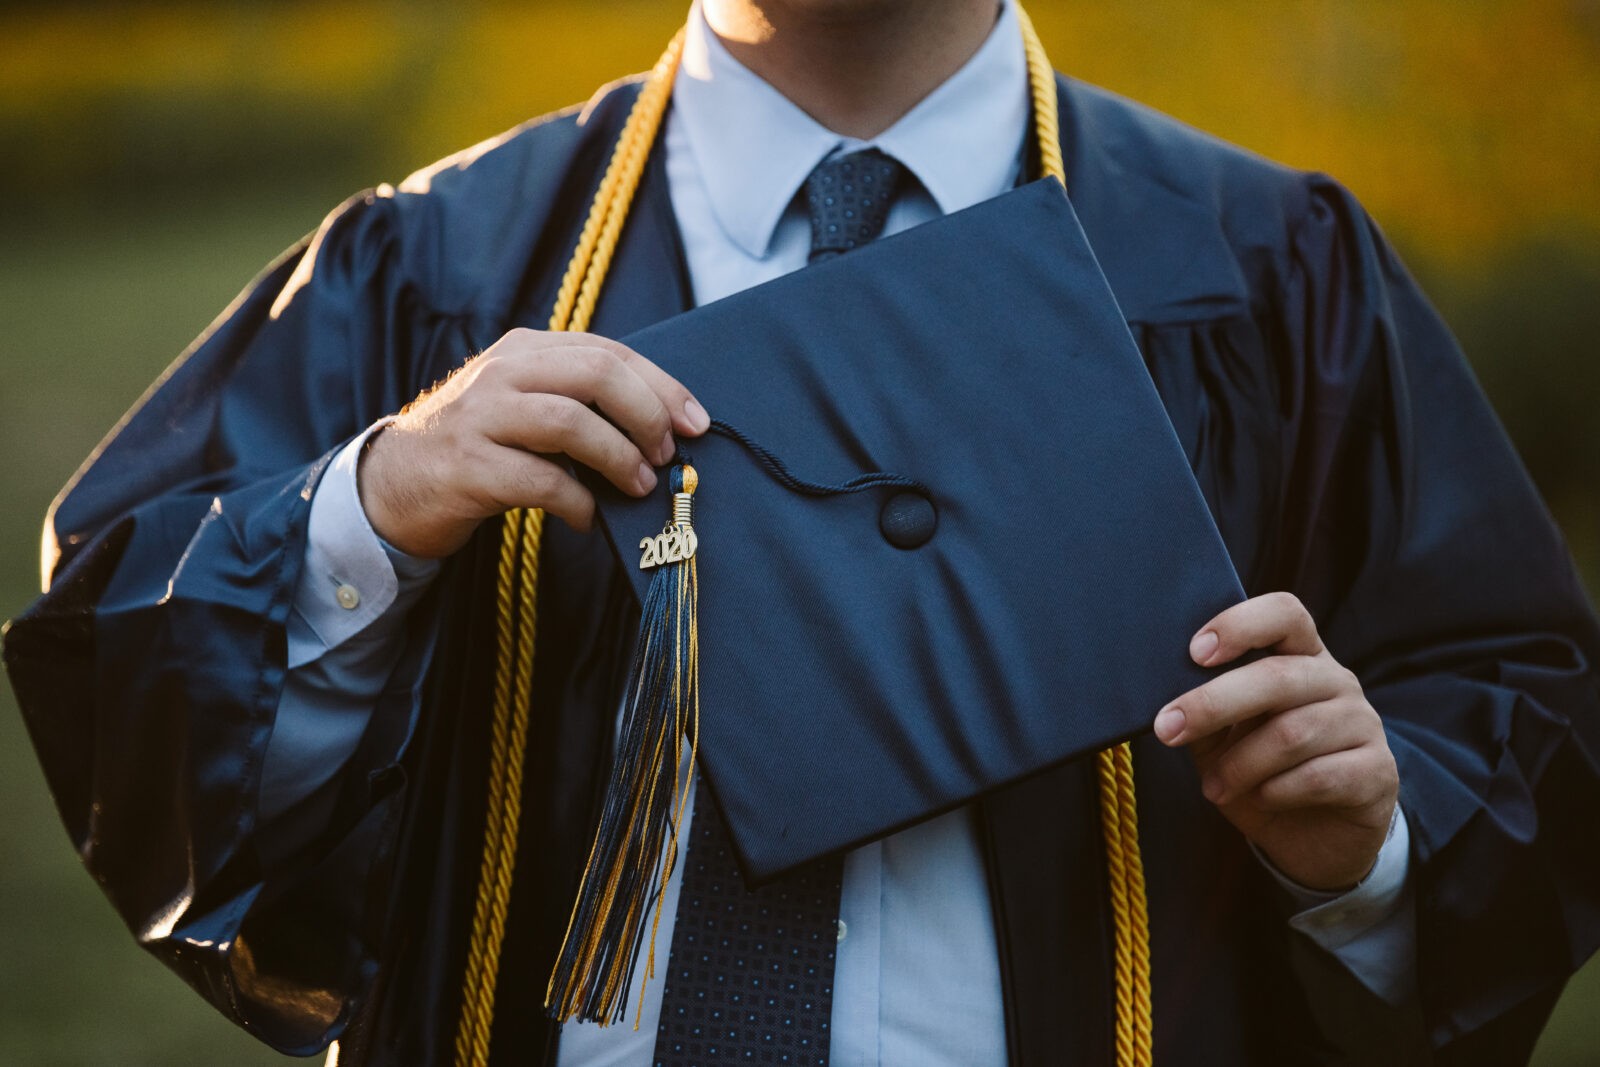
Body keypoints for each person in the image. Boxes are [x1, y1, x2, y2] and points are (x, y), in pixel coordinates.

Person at [5, 1, 1598, 1064]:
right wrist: (366, 518)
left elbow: (1517, 715)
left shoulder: (1261, 273)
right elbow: (128, 680)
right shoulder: (434, 274)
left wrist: (1372, 852)